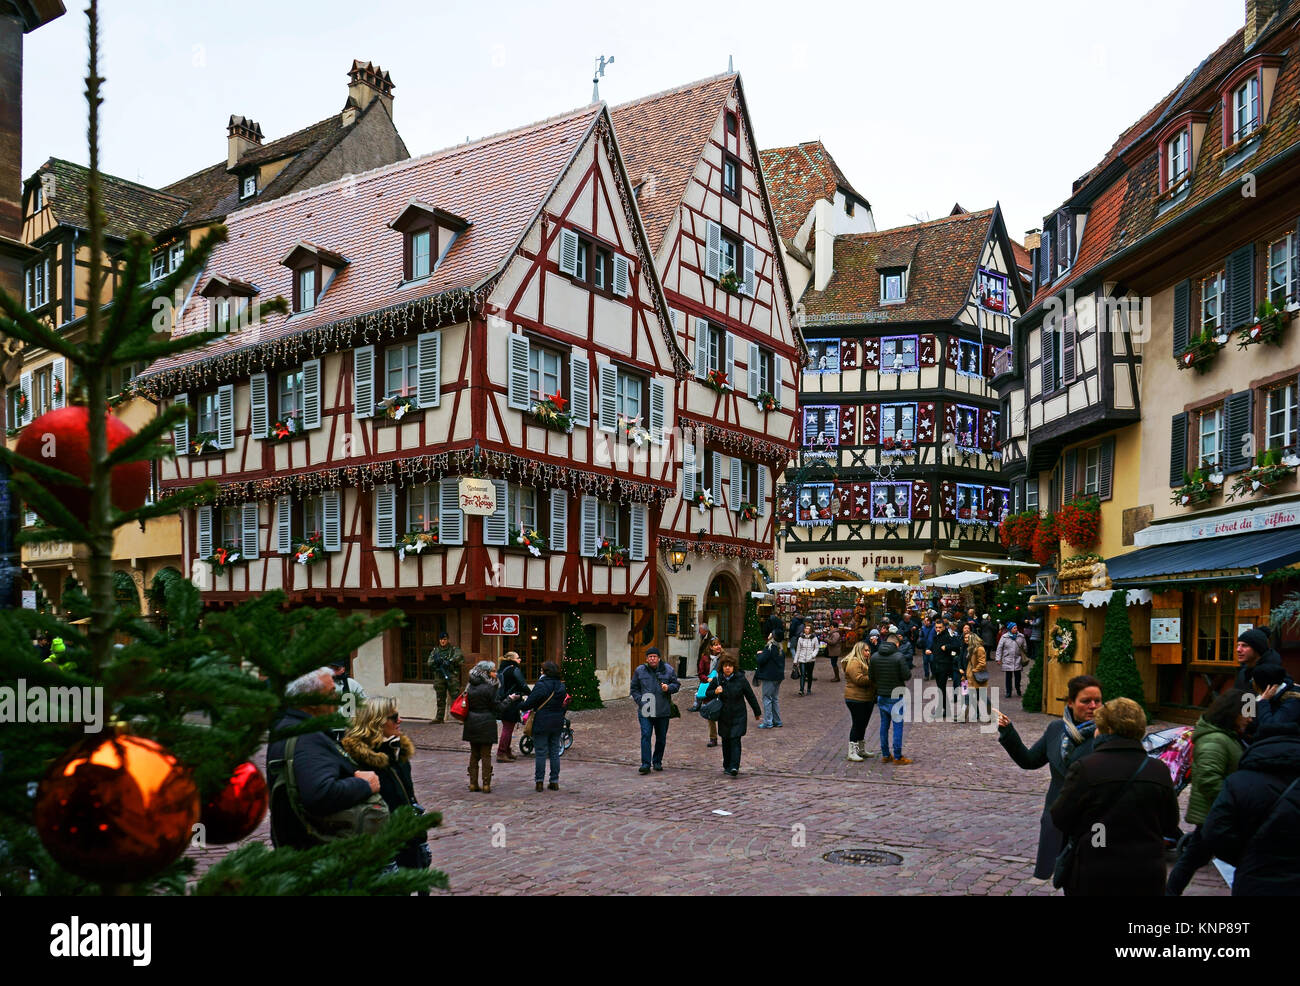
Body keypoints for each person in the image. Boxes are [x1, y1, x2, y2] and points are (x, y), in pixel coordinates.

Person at [1049, 698, 1179, 896]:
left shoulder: (1086, 768)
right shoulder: (1158, 770)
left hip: (1096, 870)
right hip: (1145, 872)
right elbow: (1170, 823)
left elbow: (1060, 816)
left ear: (1105, 730)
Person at [995, 674, 1103, 880]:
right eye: (1086, 701)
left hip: (1093, 823)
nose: (1093, 706)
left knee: (1091, 879)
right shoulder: (1056, 730)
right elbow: (1029, 760)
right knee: (1064, 878)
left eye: (1097, 701)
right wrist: (1008, 731)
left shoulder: (1106, 734)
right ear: (1071, 703)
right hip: (1057, 817)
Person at [266, 667, 380, 849]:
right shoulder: (307, 738)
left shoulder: (287, 726)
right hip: (321, 849)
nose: (337, 699)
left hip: (297, 844)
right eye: (331, 693)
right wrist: (364, 785)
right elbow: (320, 793)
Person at [1196, 720, 1300, 895]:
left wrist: (1246, 858)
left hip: (1253, 880)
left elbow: (1215, 832)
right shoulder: (1249, 697)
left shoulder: (1239, 781)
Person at [1166, 689, 1252, 895]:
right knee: (1246, 862)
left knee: (1192, 859)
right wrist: (1235, 801)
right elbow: (1208, 780)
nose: (1249, 719)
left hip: (1214, 813)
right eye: (1246, 712)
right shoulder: (1216, 740)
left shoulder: (1228, 737)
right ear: (1232, 713)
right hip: (1216, 814)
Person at [341, 696, 430, 880]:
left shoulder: (396, 753)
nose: (400, 720)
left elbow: (408, 799)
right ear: (376, 723)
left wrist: (420, 840)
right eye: (394, 716)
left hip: (405, 842)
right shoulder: (356, 762)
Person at [710, 653, 762, 777]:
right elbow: (707, 693)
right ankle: (726, 765)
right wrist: (715, 691)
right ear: (722, 667)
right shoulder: (718, 679)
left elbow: (750, 695)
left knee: (735, 740)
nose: (727, 668)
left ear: (734, 667)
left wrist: (757, 712)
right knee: (726, 740)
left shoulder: (741, 679)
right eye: (725, 666)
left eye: (730, 666)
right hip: (723, 715)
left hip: (738, 714)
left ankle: (734, 766)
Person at [630, 647, 680, 773]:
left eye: (654, 656)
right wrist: (640, 700)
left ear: (659, 658)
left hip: (662, 708)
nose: (652, 659)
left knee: (661, 737)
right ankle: (645, 764)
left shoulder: (668, 670)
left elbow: (676, 685)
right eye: (650, 657)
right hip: (646, 708)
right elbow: (634, 688)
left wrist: (668, 688)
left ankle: (657, 761)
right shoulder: (640, 670)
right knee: (646, 735)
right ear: (646, 659)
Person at [522, 659, 568, 791]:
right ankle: (554, 781)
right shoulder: (561, 686)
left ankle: (539, 781)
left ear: (545, 672)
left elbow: (529, 703)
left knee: (541, 752)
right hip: (557, 721)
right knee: (554, 752)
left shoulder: (541, 685)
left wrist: (519, 704)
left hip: (542, 721)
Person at [869, 633, 912, 764]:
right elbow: (907, 675)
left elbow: (871, 676)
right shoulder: (899, 657)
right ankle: (898, 756)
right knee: (897, 726)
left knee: (884, 725)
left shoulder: (875, 656)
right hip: (896, 695)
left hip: (881, 694)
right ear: (897, 644)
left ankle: (886, 754)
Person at [462, 660, 501, 792]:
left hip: (472, 722)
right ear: (486, 672)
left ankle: (473, 783)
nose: (495, 673)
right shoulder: (490, 687)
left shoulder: (470, 686)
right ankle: (486, 784)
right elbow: (496, 706)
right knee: (486, 755)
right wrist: (509, 700)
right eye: (493, 670)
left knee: (474, 754)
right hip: (486, 721)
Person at [842, 641, 876, 761]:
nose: (868, 653)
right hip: (856, 698)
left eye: (869, 650)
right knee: (857, 723)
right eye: (865, 650)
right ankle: (852, 751)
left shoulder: (866, 661)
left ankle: (861, 749)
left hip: (866, 697)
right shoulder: (854, 662)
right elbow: (859, 680)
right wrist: (873, 676)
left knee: (863, 723)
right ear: (859, 651)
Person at [495, 651, 529, 763]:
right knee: (508, 728)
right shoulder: (514, 669)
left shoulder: (502, 669)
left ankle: (507, 751)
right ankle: (501, 752)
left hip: (504, 700)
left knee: (508, 727)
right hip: (512, 701)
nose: (520, 660)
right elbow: (522, 684)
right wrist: (532, 694)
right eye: (518, 658)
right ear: (511, 659)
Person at [425, 630, 464, 723]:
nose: (443, 641)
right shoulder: (435, 651)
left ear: (448, 640)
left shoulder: (453, 650)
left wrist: (450, 661)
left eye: (445, 639)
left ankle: (459, 718)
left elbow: (460, 657)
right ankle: (439, 717)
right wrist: (436, 662)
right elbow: (429, 662)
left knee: (455, 696)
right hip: (439, 676)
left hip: (451, 675)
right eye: (441, 639)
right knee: (440, 698)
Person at [1234, 627, 1282, 693]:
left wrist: (1262, 702)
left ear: (1258, 649)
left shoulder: (1272, 675)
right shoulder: (1244, 672)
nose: (1238, 649)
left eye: (1244, 645)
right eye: (1238, 645)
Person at [754, 630, 785, 729]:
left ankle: (768, 722)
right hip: (778, 677)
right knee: (774, 698)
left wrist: (759, 654)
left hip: (770, 677)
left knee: (767, 698)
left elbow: (761, 660)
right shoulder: (780, 648)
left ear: (773, 636)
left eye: (771, 633)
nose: (769, 633)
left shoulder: (769, 647)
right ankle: (777, 720)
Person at [698, 636, 725, 745]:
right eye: (715, 644)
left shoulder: (724, 657)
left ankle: (725, 736)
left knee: (723, 712)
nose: (718, 646)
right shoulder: (705, 658)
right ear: (710, 647)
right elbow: (700, 673)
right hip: (709, 688)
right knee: (711, 712)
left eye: (719, 644)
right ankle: (713, 738)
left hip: (721, 687)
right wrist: (707, 678)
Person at [932, 619, 961, 720]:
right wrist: (929, 650)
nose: (938, 629)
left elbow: (957, 646)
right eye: (936, 627)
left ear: (944, 627)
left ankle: (942, 709)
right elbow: (934, 648)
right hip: (937, 666)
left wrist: (947, 647)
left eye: (940, 627)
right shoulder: (936, 636)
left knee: (941, 688)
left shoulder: (948, 636)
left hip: (944, 666)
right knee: (941, 688)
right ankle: (945, 709)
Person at [960, 624, 988, 723]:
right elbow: (961, 660)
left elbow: (982, 663)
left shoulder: (978, 649)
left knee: (982, 697)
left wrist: (974, 671)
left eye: (969, 638)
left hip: (976, 677)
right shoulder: (967, 648)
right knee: (967, 696)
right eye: (965, 638)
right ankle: (963, 717)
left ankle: (989, 715)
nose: (966, 639)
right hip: (967, 677)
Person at [996, 621, 1027, 697]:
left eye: (1016, 627)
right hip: (1007, 659)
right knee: (1008, 677)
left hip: (1018, 659)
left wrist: (1023, 653)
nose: (1016, 629)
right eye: (1014, 628)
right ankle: (1008, 692)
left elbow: (1025, 647)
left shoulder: (1021, 636)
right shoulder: (1004, 637)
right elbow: (999, 648)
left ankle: (1018, 689)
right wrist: (998, 658)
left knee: (1018, 677)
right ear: (1010, 629)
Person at [793, 623, 820, 695]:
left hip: (811, 659)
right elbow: (798, 650)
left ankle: (809, 689)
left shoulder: (814, 638)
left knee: (810, 675)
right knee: (802, 675)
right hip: (802, 659)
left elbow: (817, 648)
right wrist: (795, 660)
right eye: (805, 628)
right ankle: (801, 690)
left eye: (808, 628)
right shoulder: (800, 638)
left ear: (811, 630)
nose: (806, 630)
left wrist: (813, 655)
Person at [919, 615, 936, 681]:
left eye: (926, 621)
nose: (925, 622)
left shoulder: (934, 628)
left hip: (932, 648)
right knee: (925, 662)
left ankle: (933, 674)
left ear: (930, 622)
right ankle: (926, 675)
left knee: (932, 661)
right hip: (925, 648)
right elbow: (921, 637)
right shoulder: (923, 628)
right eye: (924, 621)